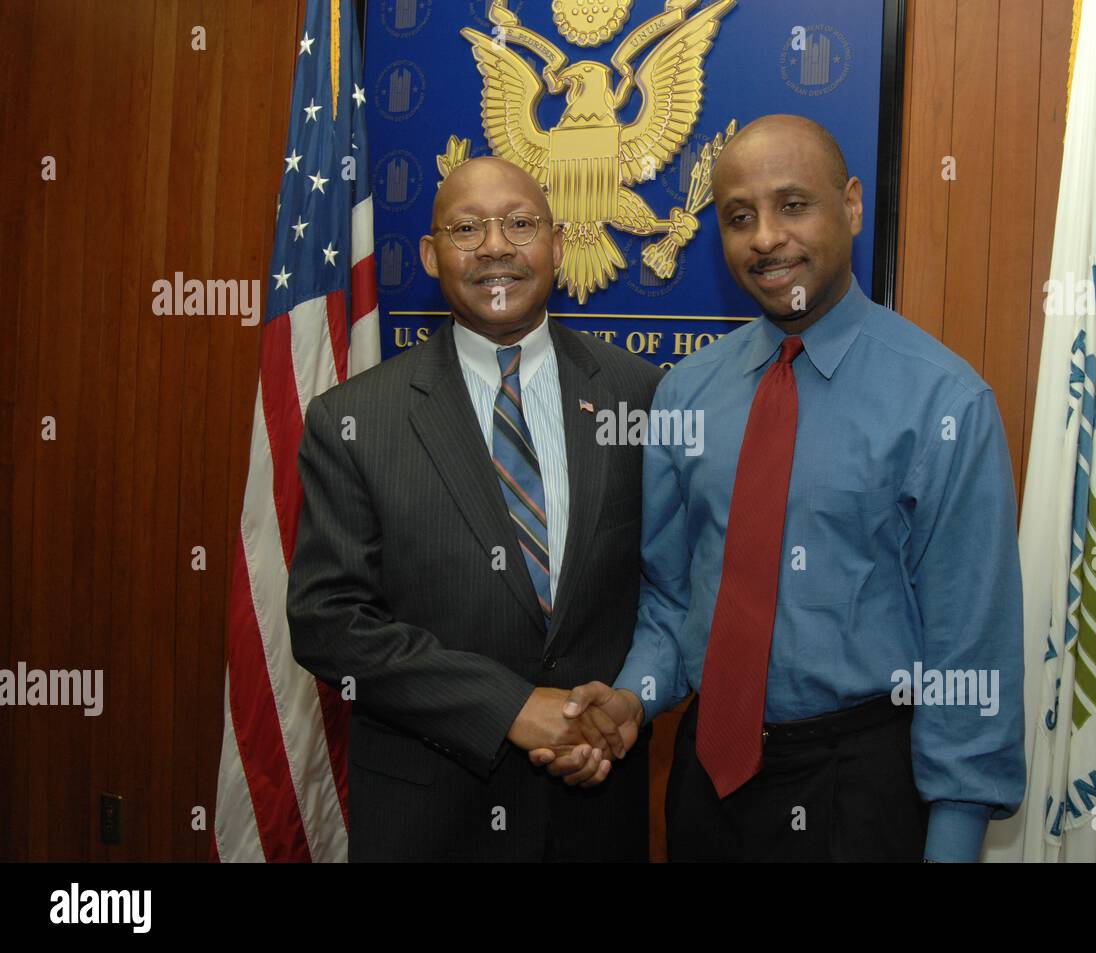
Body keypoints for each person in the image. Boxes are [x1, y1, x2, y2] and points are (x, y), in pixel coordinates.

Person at [537, 115, 1026, 862]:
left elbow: (971, 654)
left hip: (863, 789)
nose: (765, 237)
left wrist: (954, 845)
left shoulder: (944, 404)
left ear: (852, 206)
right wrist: (635, 693)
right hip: (708, 787)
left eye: (792, 204)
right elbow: (673, 602)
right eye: (739, 217)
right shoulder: (686, 395)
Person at [287, 156, 662, 861]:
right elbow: (328, 624)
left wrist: (623, 706)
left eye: (520, 224)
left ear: (556, 241)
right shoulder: (353, 419)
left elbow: (670, 587)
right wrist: (513, 708)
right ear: (431, 255)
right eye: (467, 227)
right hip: (430, 818)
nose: (496, 246)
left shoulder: (637, 395)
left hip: (596, 807)